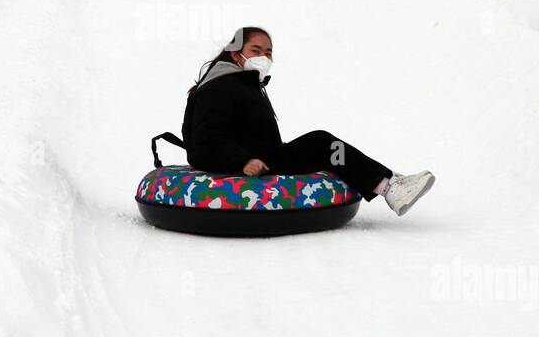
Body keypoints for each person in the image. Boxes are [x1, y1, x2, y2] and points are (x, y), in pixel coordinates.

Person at [182, 27, 437, 217]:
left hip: (264, 156)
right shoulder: (221, 87)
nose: (264, 57)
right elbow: (206, 138)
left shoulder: (243, 84)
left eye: (268, 52)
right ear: (237, 55)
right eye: (256, 51)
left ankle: (391, 181)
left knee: (322, 146)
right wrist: (242, 161)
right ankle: (389, 187)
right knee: (321, 142)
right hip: (248, 163)